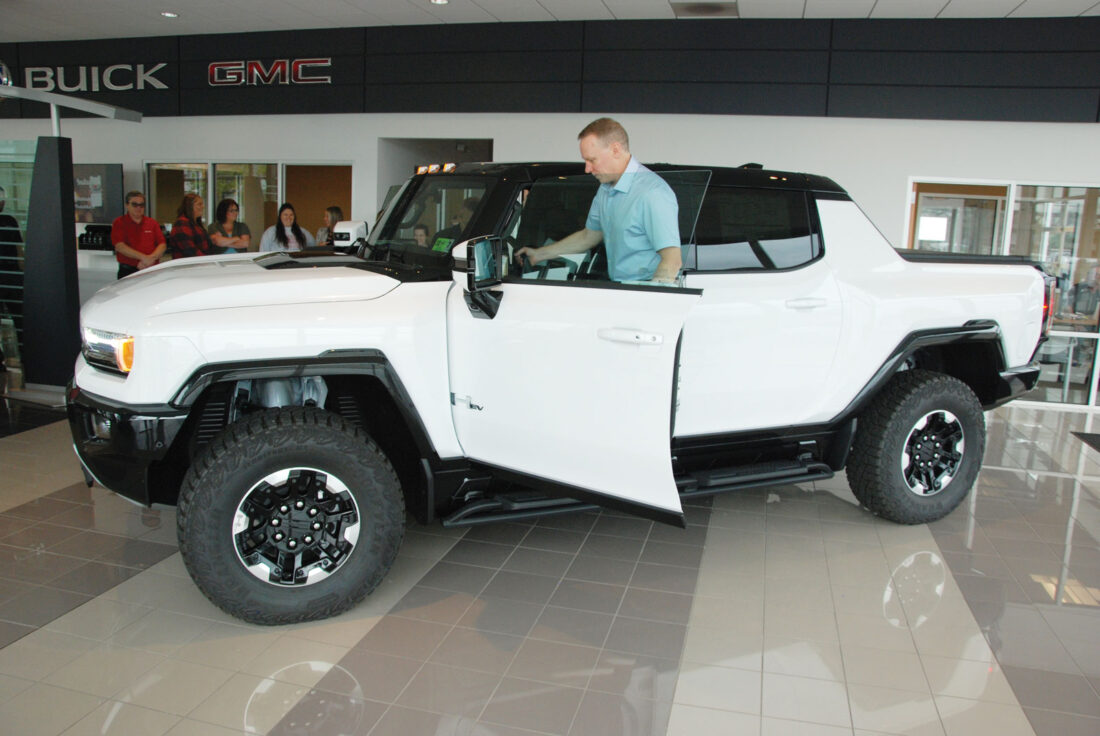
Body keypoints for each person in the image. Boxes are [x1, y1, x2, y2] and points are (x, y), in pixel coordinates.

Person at [515, 117, 681, 283]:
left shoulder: (652, 193)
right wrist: (540, 254)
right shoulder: (606, 188)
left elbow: (672, 260)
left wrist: (650, 299)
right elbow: (590, 235)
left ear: (616, 150)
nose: (587, 169)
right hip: (619, 288)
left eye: (592, 160)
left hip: (644, 290)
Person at [111, 190, 166, 278]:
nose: (138, 208)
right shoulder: (119, 223)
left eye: (141, 205)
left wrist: (150, 259)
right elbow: (120, 246)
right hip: (129, 271)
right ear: (127, 205)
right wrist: (143, 258)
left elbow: (162, 244)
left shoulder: (152, 223)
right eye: (134, 204)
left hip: (151, 270)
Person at [168, 193, 220, 258]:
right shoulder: (182, 223)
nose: (203, 206)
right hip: (189, 265)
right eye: (199, 204)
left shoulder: (196, 224)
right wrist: (206, 261)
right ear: (190, 206)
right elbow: (189, 250)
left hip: (199, 263)